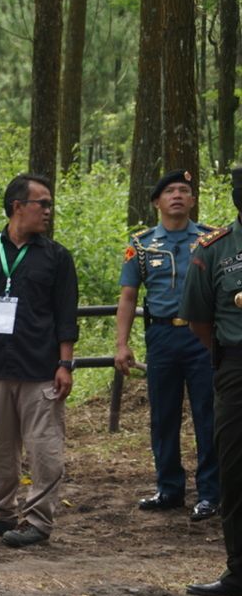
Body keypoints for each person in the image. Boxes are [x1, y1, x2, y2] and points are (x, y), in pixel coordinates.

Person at [0, 174, 79, 547]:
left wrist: (65, 364)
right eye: (41, 203)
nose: (47, 210)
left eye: (48, 204)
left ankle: (38, 521)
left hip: (40, 369)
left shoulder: (56, 257)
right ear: (17, 207)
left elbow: (65, 316)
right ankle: (0, 512)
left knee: (44, 448)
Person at [115, 170, 219, 521]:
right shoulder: (142, 244)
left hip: (202, 336)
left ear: (192, 200)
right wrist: (122, 344)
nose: (177, 195)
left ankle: (210, 493)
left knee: (208, 414)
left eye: (184, 191)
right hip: (161, 336)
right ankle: (169, 487)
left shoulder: (210, 240)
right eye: (170, 191)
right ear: (157, 201)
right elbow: (128, 296)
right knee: (163, 416)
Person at [179, 165, 242, 596]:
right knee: (235, 470)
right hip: (235, 369)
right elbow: (199, 319)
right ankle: (239, 570)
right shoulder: (214, 249)